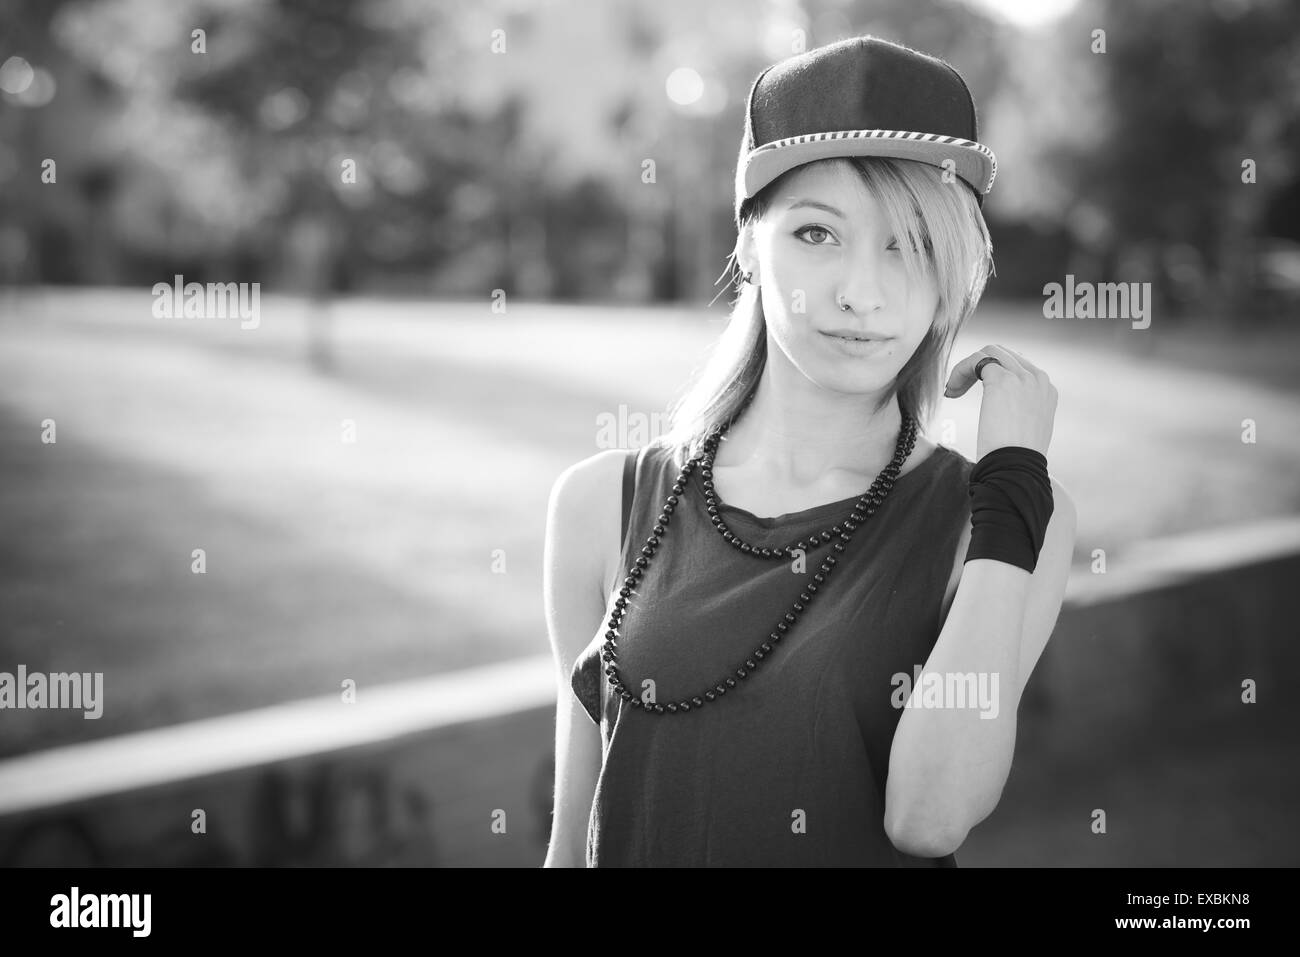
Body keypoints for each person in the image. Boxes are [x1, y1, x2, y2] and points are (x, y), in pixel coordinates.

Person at [543, 35, 1076, 867]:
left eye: (911, 243)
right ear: (752, 246)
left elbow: (930, 819)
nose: (862, 292)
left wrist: (1014, 492)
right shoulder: (599, 504)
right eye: (818, 234)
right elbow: (576, 837)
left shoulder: (1001, 520)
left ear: (953, 274)